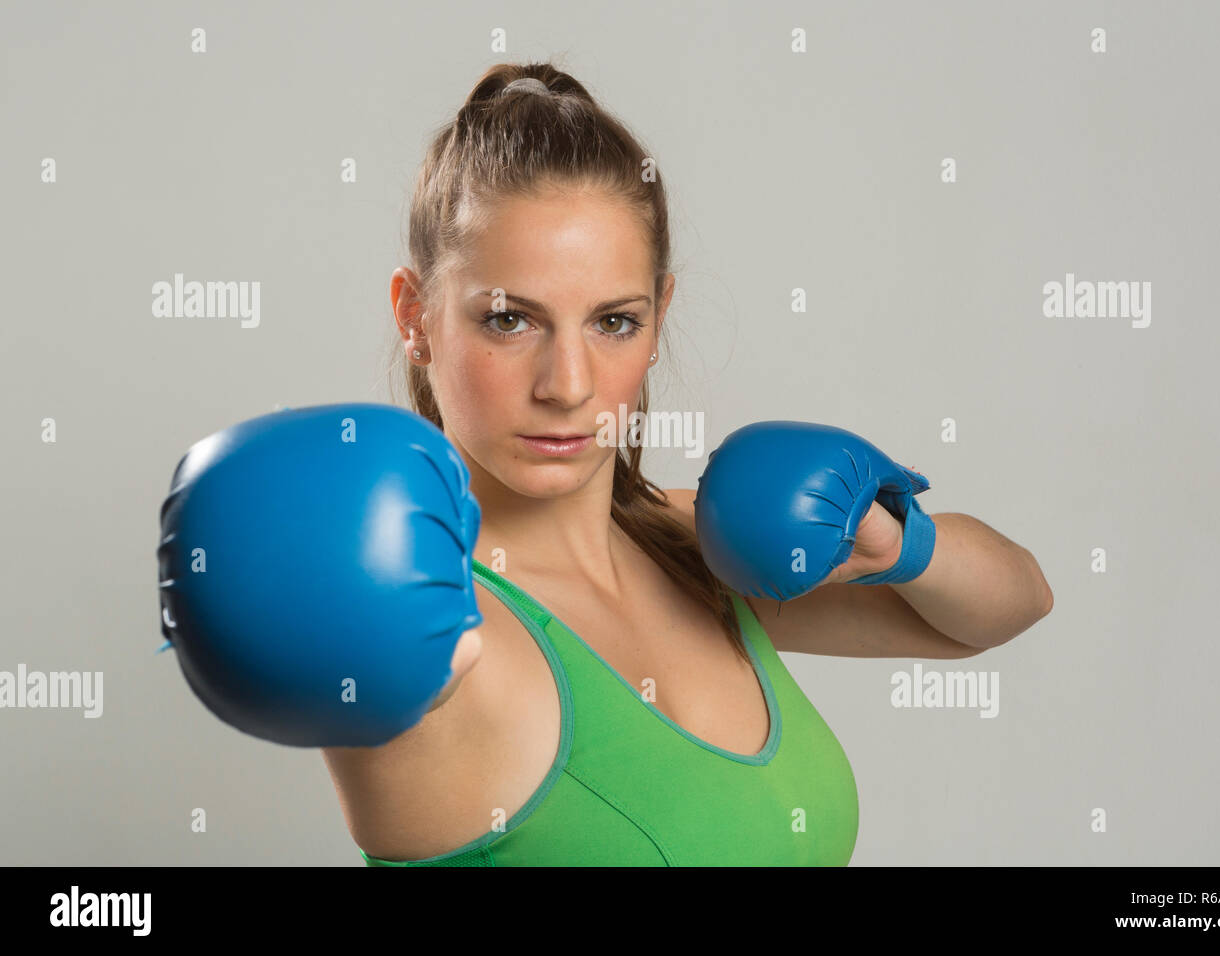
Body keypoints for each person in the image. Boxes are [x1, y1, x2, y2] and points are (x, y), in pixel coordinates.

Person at [318, 62, 1053, 866]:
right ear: (414, 317)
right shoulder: (418, 618)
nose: (568, 386)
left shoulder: (697, 546)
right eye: (509, 319)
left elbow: (1008, 609)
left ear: (660, 315)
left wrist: (897, 545)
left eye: (613, 322)